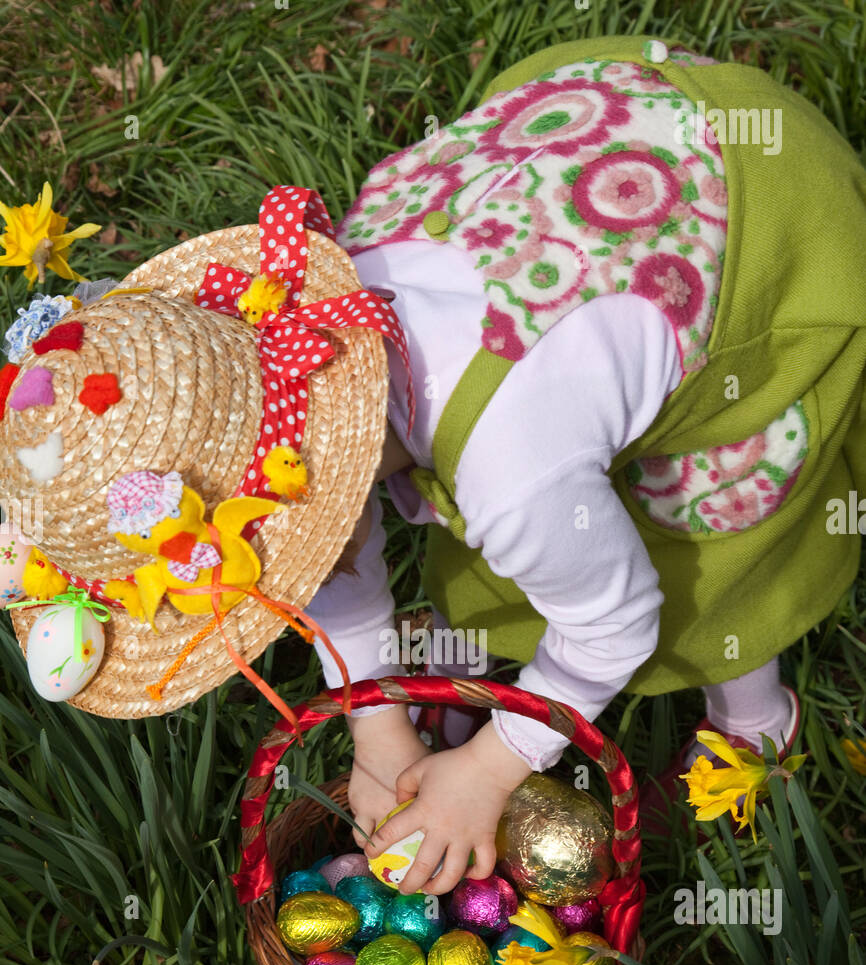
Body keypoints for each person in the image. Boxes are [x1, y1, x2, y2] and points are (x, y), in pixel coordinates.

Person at [304, 34, 866, 893]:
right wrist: (377, 730)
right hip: (612, 144)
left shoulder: (510, 467)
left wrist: (495, 769)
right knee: (556, 525)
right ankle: (497, 657)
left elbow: (615, 624)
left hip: (770, 223)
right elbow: (331, 560)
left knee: (706, 539)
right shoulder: (311, 323)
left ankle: (754, 726)